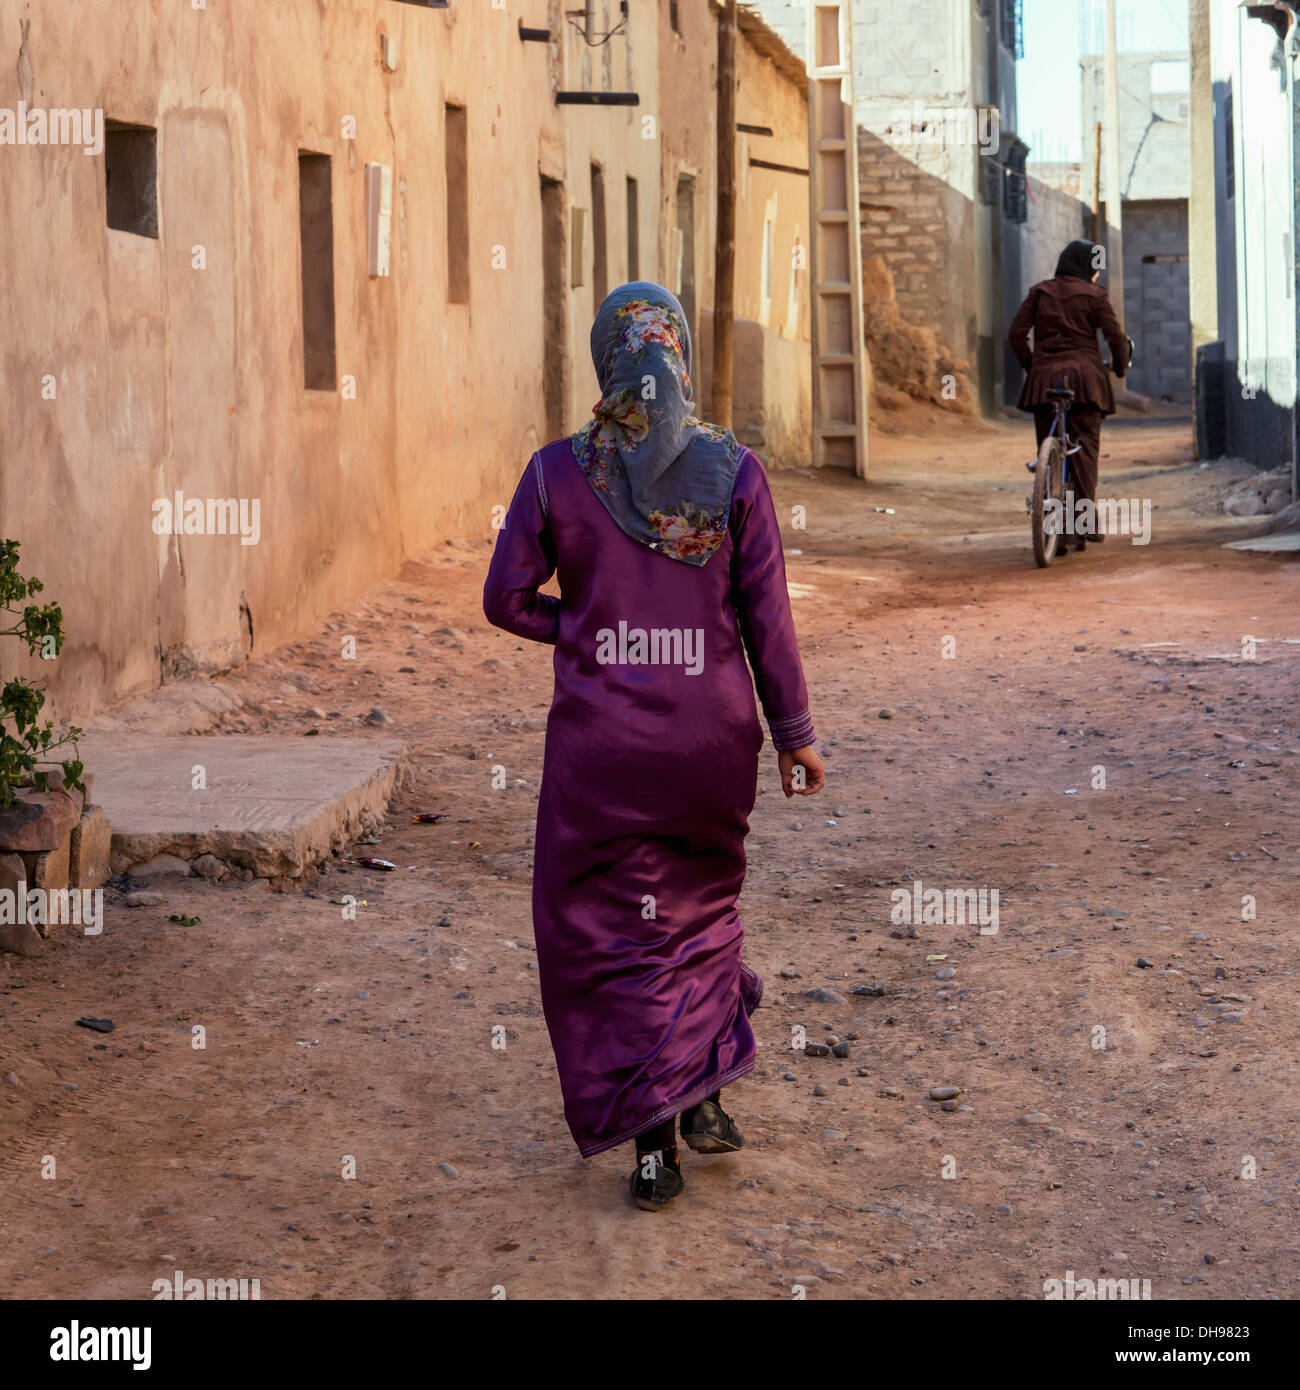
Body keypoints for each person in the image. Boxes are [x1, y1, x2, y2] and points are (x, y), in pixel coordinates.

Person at [483, 282, 824, 1211]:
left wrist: (588, 629)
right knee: (699, 910)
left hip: (604, 755)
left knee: (619, 934)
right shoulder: (736, 472)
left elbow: (504, 599)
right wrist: (794, 736)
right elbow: (769, 624)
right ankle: (705, 1095)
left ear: (608, 361)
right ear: (677, 352)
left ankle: (653, 1151)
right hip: (712, 745)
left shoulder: (556, 474)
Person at [1008, 239, 1131, 547]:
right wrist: (1120, 367)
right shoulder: (1095, 296)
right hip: (1085, 380)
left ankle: (1057, 536)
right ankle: (1084, 520)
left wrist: (1032, 366)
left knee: (1046, 452)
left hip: (1045, 380)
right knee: (1085, 449)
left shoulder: (1040, 292)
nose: (1097, 275)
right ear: (1086, 266)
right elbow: (1115, 337)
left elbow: (1016, 335)